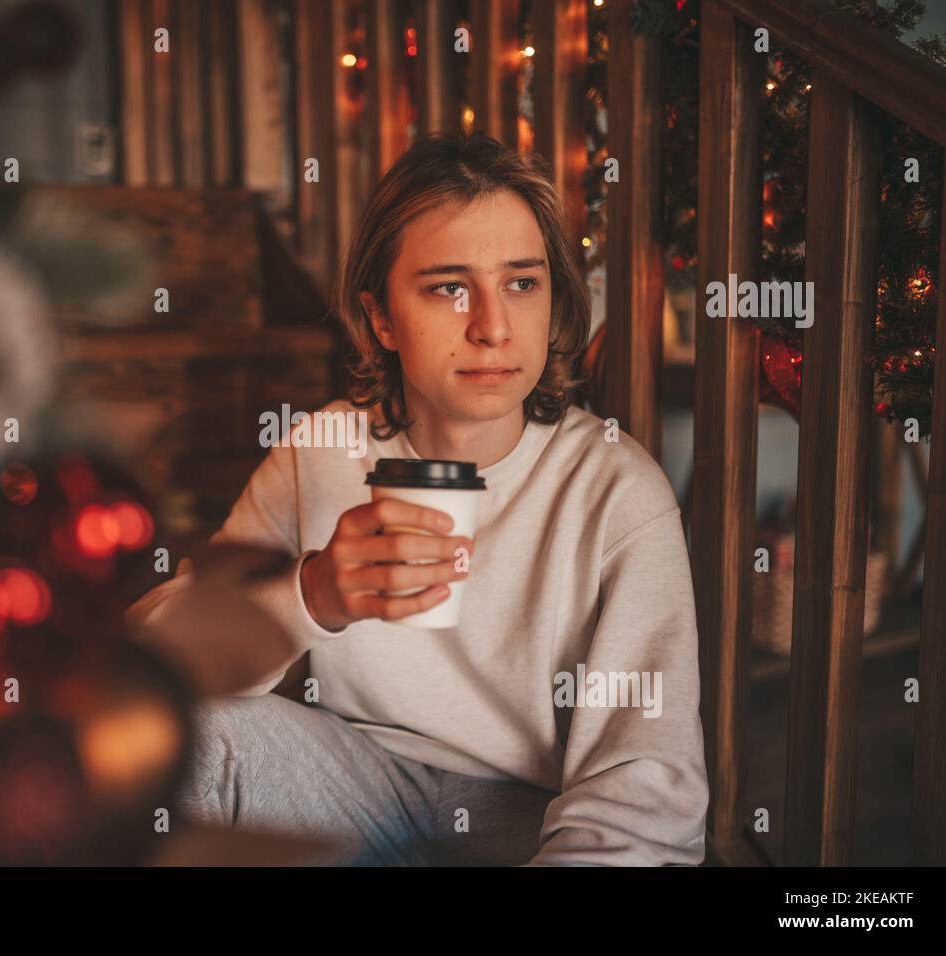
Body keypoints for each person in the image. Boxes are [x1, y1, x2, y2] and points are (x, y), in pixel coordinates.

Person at [125, 131, 708, 866]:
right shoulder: (323, 450)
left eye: (522, 283)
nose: (493, 327)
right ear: (381, 319)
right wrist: (311, 591)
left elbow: (641, 790)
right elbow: (156, 668)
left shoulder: (616, 489)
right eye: (449, 287)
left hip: (528, 820)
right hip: (356, 785)